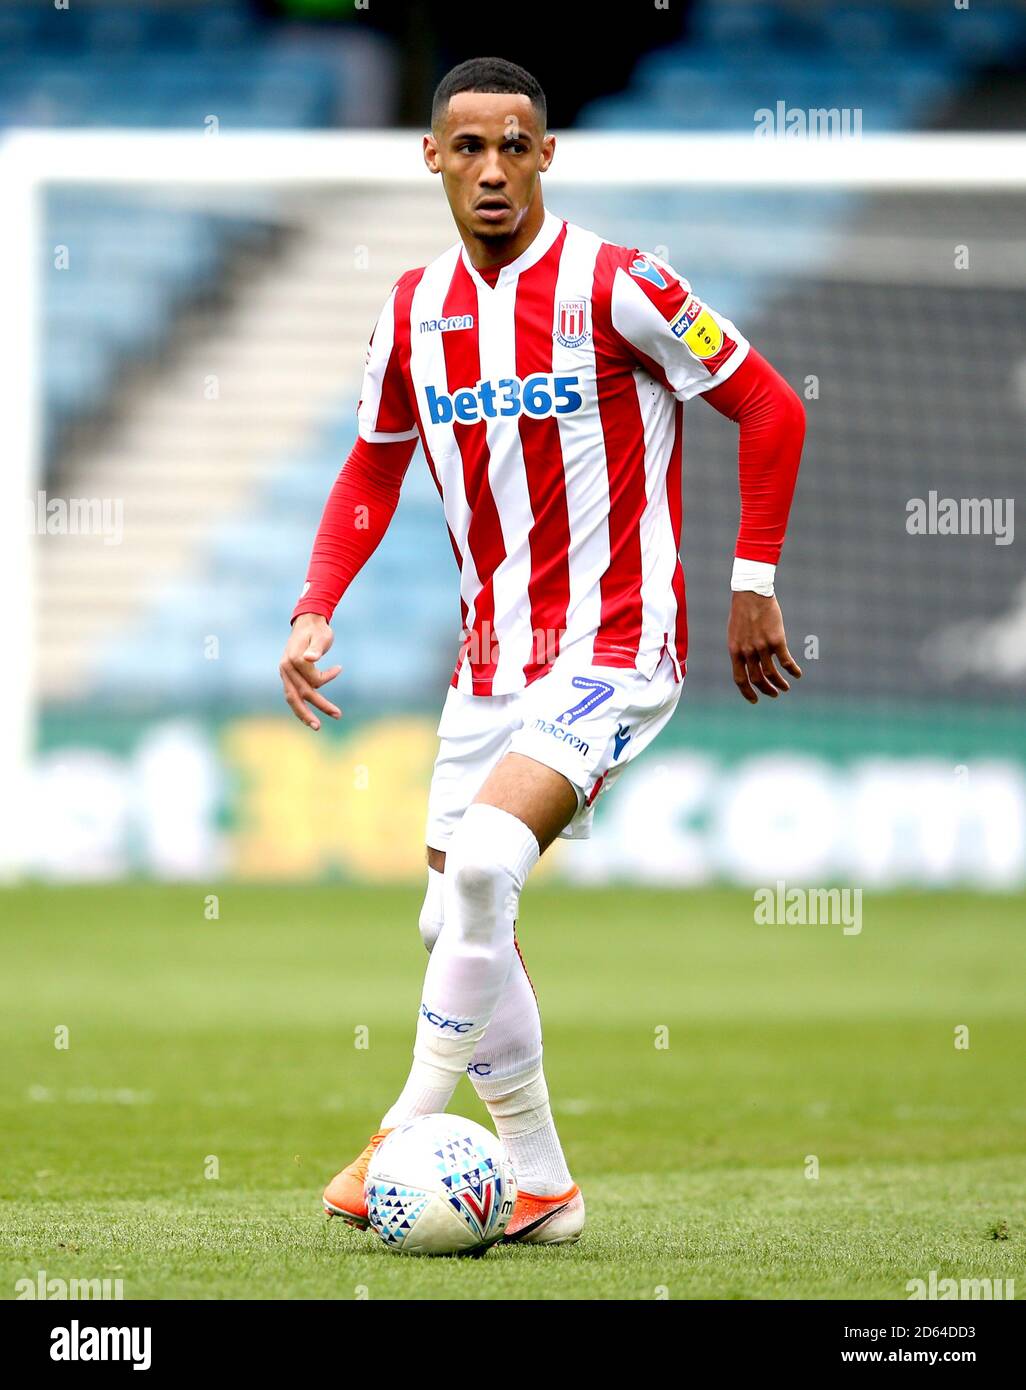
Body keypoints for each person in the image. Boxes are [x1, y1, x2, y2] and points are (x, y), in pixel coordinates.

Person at [280, 56, 805, 1245]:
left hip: (620, 642)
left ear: (548, 156)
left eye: (516, 144)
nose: (493, 169)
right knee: (450, 924)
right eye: (468, 147)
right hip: (490, 666)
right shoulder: (411, 312)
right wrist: (317, 604)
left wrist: (753, 580)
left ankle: (400, 1127)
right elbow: (374, 466)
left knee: (479, 873)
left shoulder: (624, 286)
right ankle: (544, 1184)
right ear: (432, 159)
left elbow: (774, 409)